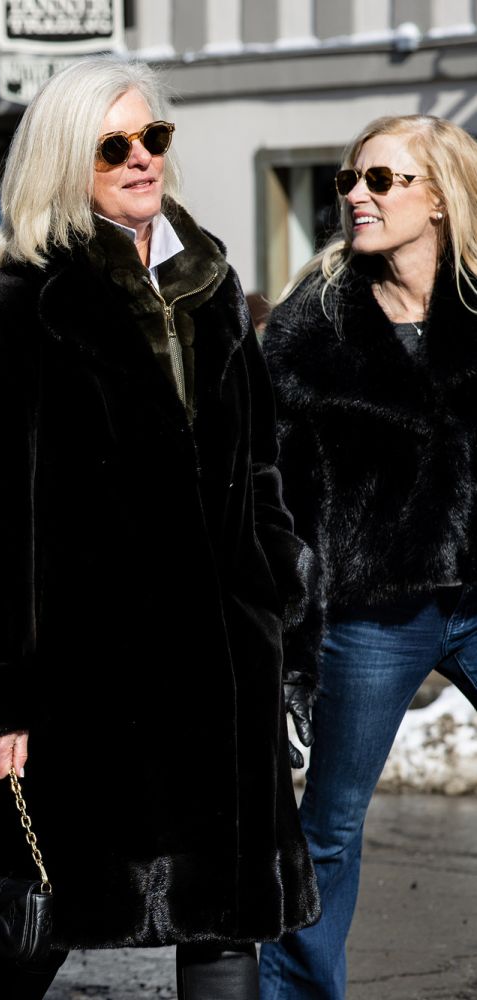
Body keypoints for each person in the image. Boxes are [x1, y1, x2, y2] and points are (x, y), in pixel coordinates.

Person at [0, 59, 320, 999]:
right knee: (35, 920)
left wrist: (280, 616)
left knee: (226, 919)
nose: (141, 160)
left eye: (152, 138)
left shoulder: (211, 289)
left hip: (218, 668)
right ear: (61, 160)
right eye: (112, 146)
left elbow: (258, 475)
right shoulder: (13, 306)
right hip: (77, 675)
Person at [257, 115, 477, 1000]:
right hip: (372, 614)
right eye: (351, 179)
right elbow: (269, 486)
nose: (356, 194)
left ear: (437, 198)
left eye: (382, 180)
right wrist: (290, 621)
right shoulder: (311, 326)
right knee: (329, 827)